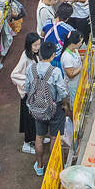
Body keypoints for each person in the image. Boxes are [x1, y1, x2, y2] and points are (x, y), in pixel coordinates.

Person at [24, 42, 69, 174]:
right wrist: (65, 105)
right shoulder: (55, 71)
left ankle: (39, 166)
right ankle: (53, 168)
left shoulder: (30, 69)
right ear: (53, 55)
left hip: (37, 108)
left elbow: (27, 88)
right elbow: (62, 92)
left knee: (39, 137)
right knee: (54, 139)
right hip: (55, 109)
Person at [11, 32, 46, 154]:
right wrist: (28, 81)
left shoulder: (34, 55)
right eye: (35, 45)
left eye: (38, 45)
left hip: (34, 93)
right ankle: (26, 143)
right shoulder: (25, 57)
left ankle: (37, 136)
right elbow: (14, 75)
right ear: (29, 45)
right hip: (27, 95)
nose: (37, 47)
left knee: (35, 118)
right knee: (29, 119)